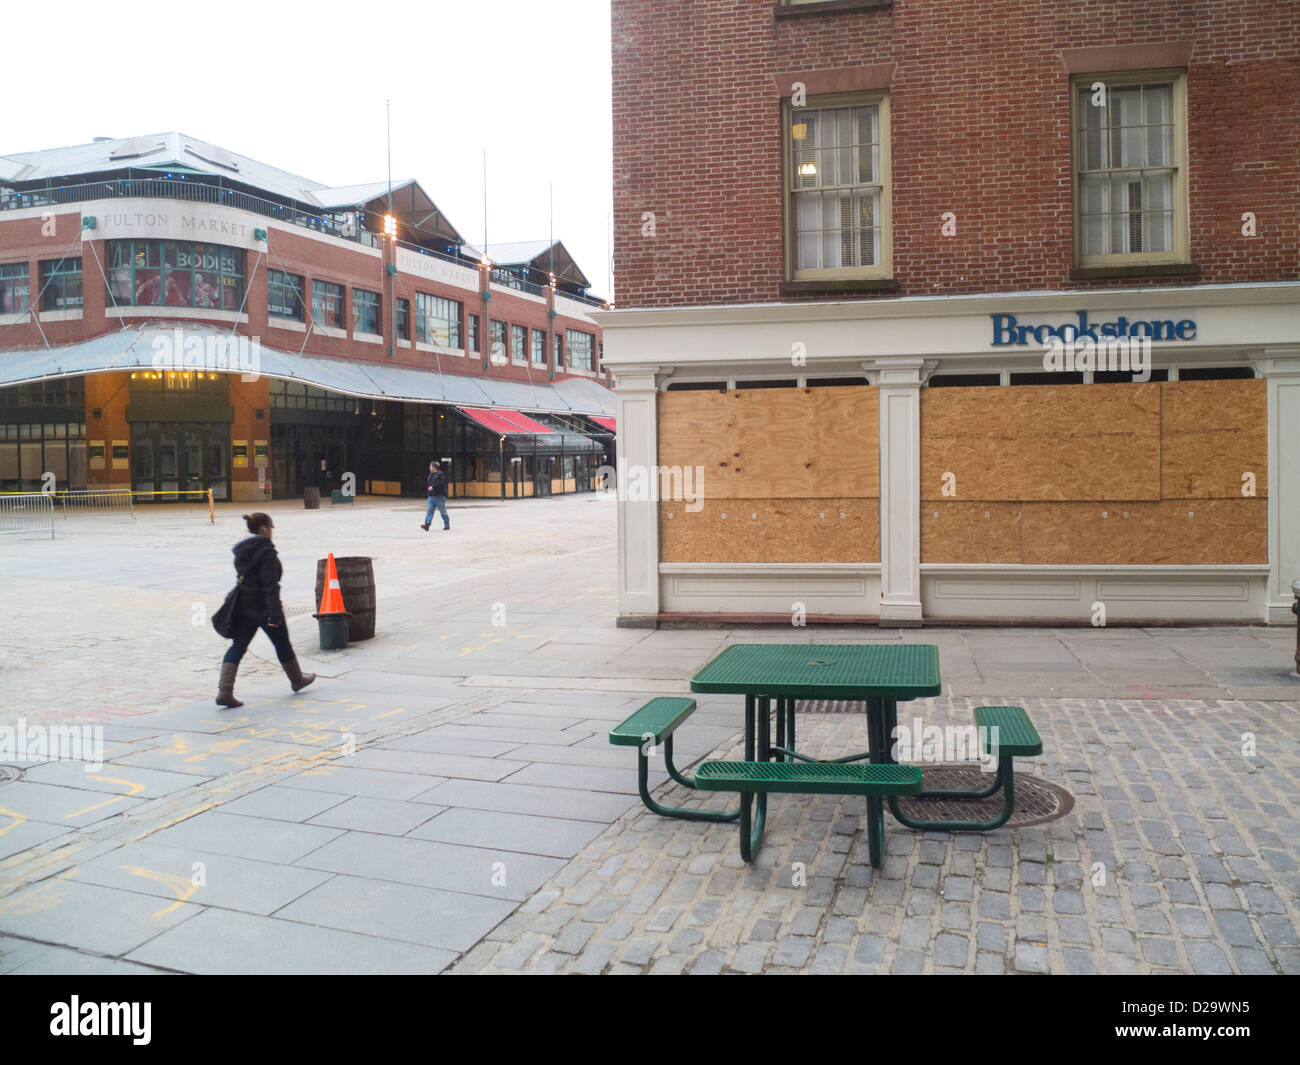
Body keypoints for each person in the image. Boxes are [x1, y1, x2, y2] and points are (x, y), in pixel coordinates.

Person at [216, 512, 316, 708]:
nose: (272, 532)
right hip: (262, 606)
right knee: (282, 643)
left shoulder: (242, 550)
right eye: (271, 528)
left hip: (244, 604)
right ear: (263, 529)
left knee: (238, 646)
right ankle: (297, 680)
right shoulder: (266, 551)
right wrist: (275, 613)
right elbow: (270, 584)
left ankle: (224, 691)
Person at [422, 461, 450, 531]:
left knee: (443, 511)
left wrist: (433, 487)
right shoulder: (431, 474)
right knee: (429, 511)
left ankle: (447, 524)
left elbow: (441, 483)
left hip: (439, 496)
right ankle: (427, 525)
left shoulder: (440, 474)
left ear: (435, 467)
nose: (429, 468)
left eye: (430, 466)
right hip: (431, 496)